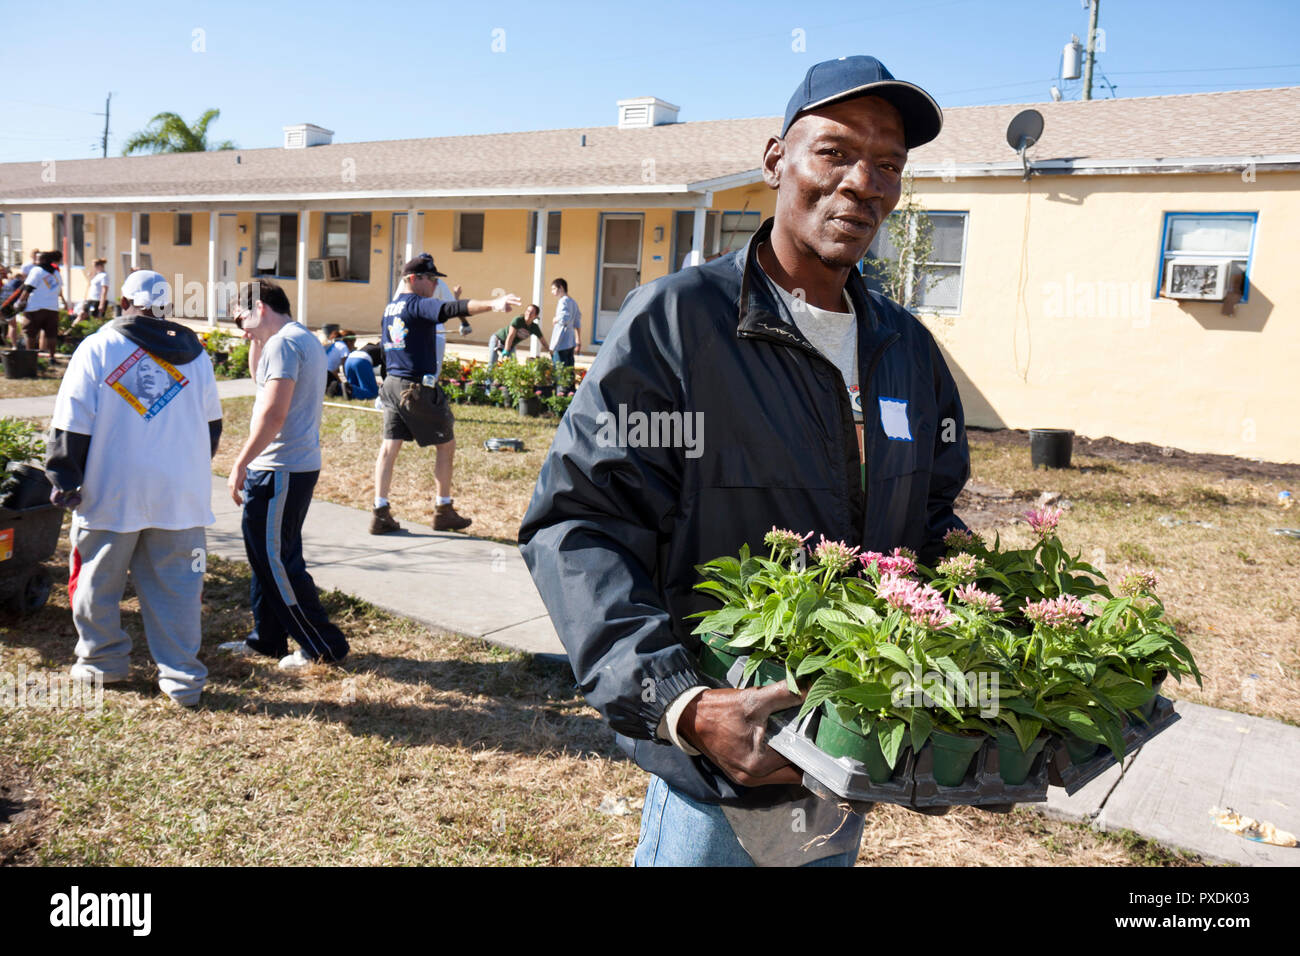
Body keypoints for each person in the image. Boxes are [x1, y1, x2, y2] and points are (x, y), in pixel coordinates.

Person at [519, 55, 967, 867]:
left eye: (889, 164)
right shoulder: (684, 325)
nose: (863, 181)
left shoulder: (908, 351)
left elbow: (932, 516)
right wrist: (684, 704)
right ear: (776, 161)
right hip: (720, 773)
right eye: (834, 152)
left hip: (848, 761)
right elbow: (580, 522)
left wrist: (973, 627)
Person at [44, 270, 223, 707]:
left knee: (95, 582)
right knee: (179, 590)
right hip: (180, 496)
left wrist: (64, 478)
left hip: (112, 490)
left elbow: (72, 423)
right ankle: (183, 681)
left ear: (123, 302)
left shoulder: (99, 347)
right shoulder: (195, 355)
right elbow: (212, 427)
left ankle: (102, 663)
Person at [219, 280, 350, 669]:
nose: (239, 328)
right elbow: (260, 381)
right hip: (291, 467)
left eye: (241, 318)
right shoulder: (298, 337)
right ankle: (267, 640)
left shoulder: (283, 344)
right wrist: (254, 337)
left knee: (277, 561)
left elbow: (273, 414)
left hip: (280, 469)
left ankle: (321, 646)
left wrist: (240, 462)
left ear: (260, 307)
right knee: (266, 557)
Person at [369, 254, 519, 535]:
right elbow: (453, 307)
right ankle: (443, 509)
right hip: (415, 388)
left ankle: (380, 511)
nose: (435, 283)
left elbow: (386, 347)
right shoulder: (417, 304)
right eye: (431, 278)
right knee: (446, 444)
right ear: (413, 279)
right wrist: (494, 303)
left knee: (389, 448)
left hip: (392, 384)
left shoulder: (391, 308)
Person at [15, 250, 68, 359]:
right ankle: (52, 357)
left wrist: (20, 301)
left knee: (30, 333)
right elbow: (59, 290)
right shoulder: (56, 273)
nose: (35, 261)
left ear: (43, 260)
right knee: (51, 334)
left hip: (35, 308)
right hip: (52, 308)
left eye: (38, 259)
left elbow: (28, 288)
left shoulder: (37, 270)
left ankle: (30, 357)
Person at [488, 304, 550, 369]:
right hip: (498, 339)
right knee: (492, 363)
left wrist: (550, 352)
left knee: (512, 366)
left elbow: (543, 341)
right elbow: (511, 336)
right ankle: (489, 379)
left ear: (536, 316)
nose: (529, 314)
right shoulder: (518, 320)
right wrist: (506, 350)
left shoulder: (534, 327)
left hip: (511, 345)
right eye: (528, 311)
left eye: (532, 313)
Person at [546, 278, 581, 369]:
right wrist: (578, 339)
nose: (552, 292)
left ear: (561, 288)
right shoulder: (573, 302)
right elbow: (577, 322)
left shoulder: (563, 301)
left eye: (554, 289)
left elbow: (565, 318)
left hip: (561, 340)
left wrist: (556, 319)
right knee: (569, 370)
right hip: (570, 340)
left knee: (559, 370)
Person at [324, 328, 350, 397]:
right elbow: (345, 367)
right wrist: (346, 382)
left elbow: (336, 370)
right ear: (350, 342)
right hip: (328, 373)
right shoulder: (344, 347)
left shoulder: (334, 345)